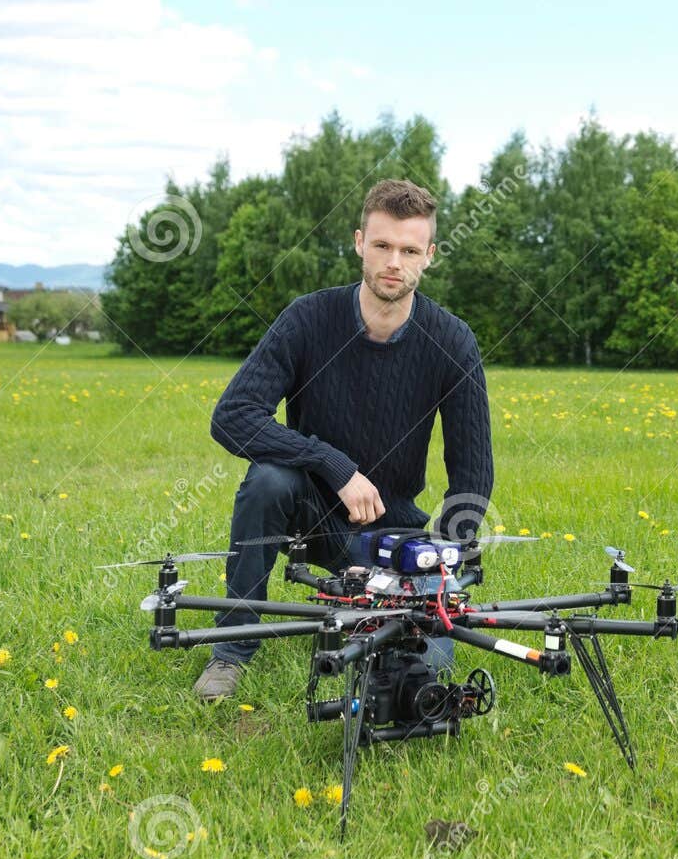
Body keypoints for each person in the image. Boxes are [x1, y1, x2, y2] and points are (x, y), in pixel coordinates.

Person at [194, 178, 494, 701]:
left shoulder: (452, 339)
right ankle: (232, 649)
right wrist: (332, 464)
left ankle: (376, 605)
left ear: (430, 255)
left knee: (426, 670)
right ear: (359, 243)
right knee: (268, 480)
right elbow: (233, 416)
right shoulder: (308, 318)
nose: (393, 263)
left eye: (409, 250)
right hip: (310, 518)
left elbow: (473, 472)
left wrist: (444, 558)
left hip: (392, 533)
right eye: (382, 245)